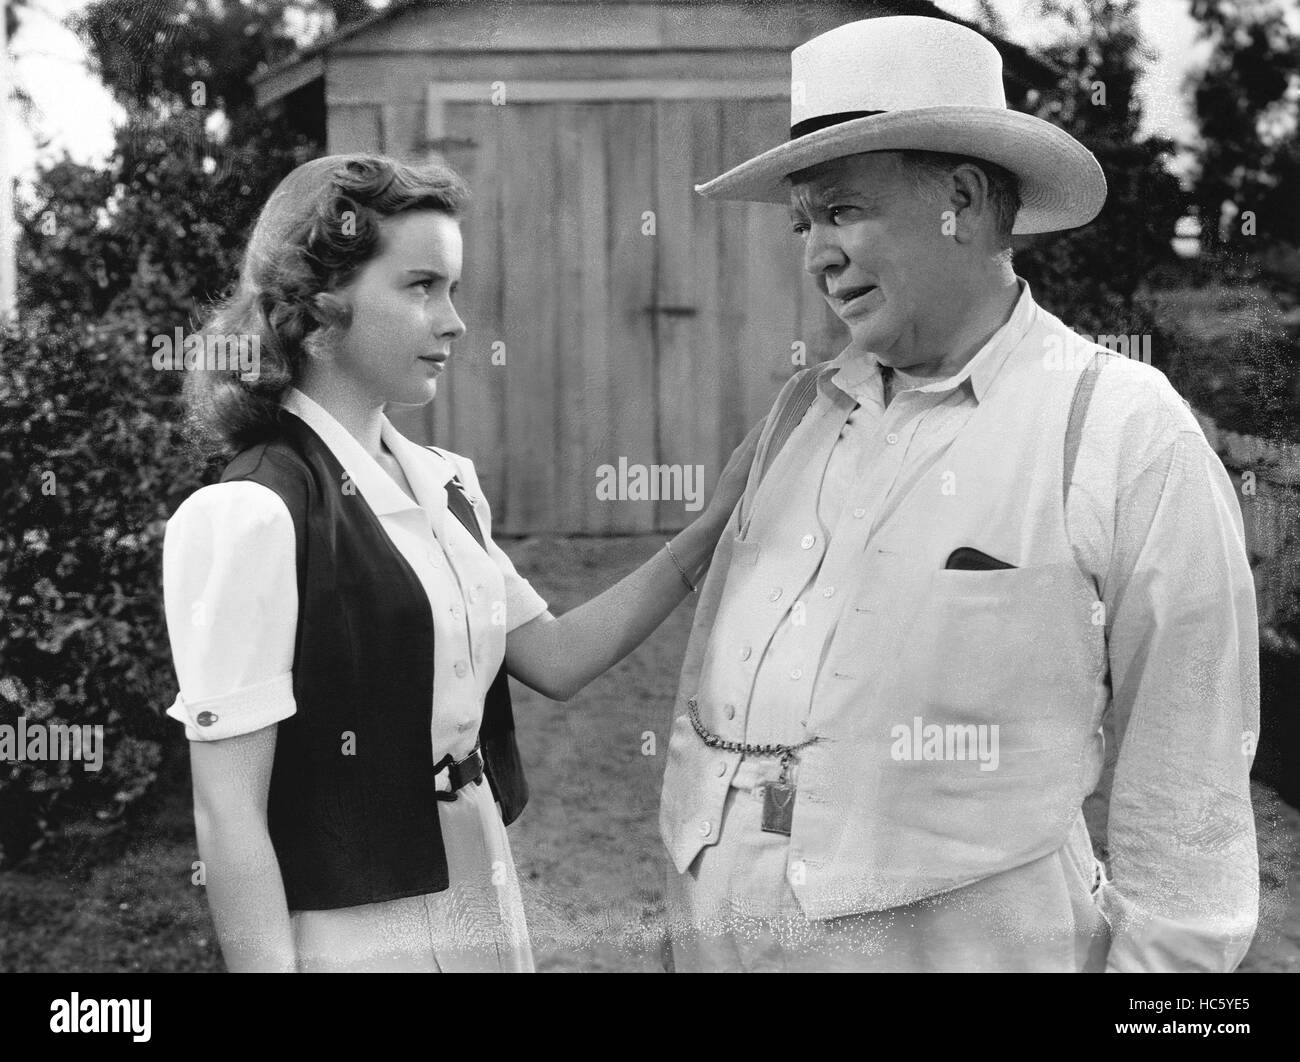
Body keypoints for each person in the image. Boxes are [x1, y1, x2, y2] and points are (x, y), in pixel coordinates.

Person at [658, 15, 1260, 972]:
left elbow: (1191, 807)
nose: (818, 253)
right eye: (804, 222)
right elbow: (716, 706)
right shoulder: (798, 417)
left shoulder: (1121, 429)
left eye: (846, 210)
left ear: (968, 201)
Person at [162, 153, 759, 972]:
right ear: (320, 306)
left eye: (454, 289)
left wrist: (715, 523)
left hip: (479, 893)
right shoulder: (252, 514)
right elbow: (228, 819)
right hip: (357, 940)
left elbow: (554, 655)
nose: (455, 322)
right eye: (421, 287)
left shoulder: (444, 485)